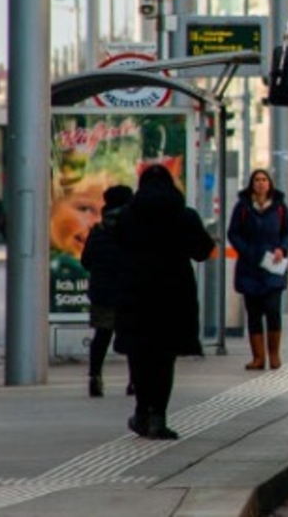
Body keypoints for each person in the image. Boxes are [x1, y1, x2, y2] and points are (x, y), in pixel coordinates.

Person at [112, 164, 215, 440]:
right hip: (173, 297)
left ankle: (141, 411)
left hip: (135, 296)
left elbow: (115, 249)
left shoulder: (127, 217)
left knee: (140, 356)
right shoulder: (184, 216)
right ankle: (158, 416)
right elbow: (203, 251)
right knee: (164, 359)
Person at [226, 169, 288, 371]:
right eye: (257, 180)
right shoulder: (243, 207)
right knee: (253, 313)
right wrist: (246, 251)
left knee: (273, 310)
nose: (261, 183)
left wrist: (282, 248)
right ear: (251, 183)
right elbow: (233, 233)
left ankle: (274, 355)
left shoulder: (280, 208)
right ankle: (258, 357)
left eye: (264, 180)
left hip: (273, 267)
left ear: (270, 183)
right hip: (250, 268)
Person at [81, 185, 135, 398]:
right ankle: (134, 381)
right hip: (129, 290)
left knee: (102, 335)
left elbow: (86, 261)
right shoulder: (133, 230)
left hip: (103, 291)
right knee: (132, 336)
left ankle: (95, 376)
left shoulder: (98, 230)